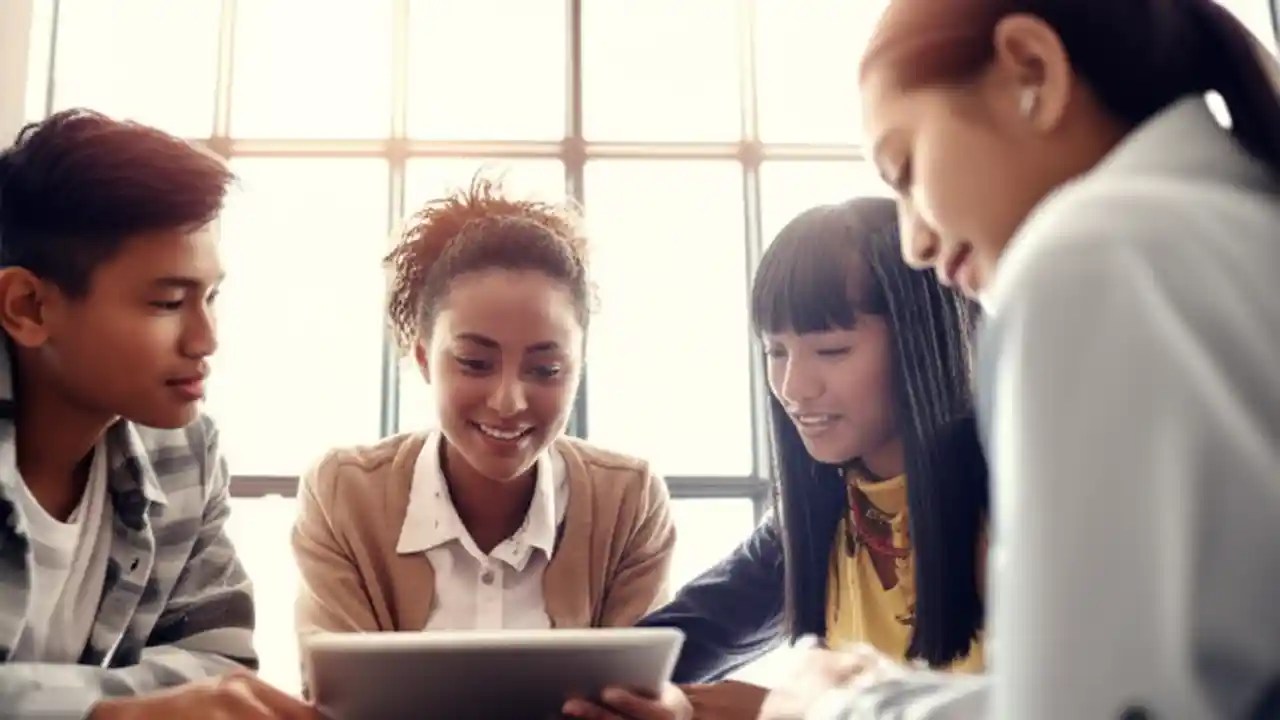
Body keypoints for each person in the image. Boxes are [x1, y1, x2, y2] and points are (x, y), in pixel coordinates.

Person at [762, 0, 1280, 718]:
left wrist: (834, 709)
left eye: (906, 168)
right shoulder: (1230, 221)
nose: (914, 241)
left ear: (1031, 71)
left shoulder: (1093, 253)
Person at [561, 197, 988, 720]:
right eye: (776, 351)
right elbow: (678, 640)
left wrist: (793, 712)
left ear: (922, 340)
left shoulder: (1013, 503)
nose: (793, 388)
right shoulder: (820, 511)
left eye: (831, 351)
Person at [0, 109, 316, 719]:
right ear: (29, 307)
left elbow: (220, 663)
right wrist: (104, 713)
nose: (206, 338)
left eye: (211, 296)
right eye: (168, 301)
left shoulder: (185, 453)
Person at [291, 178, 676, 660]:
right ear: (423, 357)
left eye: (545, 370)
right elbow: (337, 703)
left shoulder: (628, 500)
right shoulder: (343, 494)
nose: (509, 401)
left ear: (579, 368)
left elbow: (634, 700)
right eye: (475, 363)